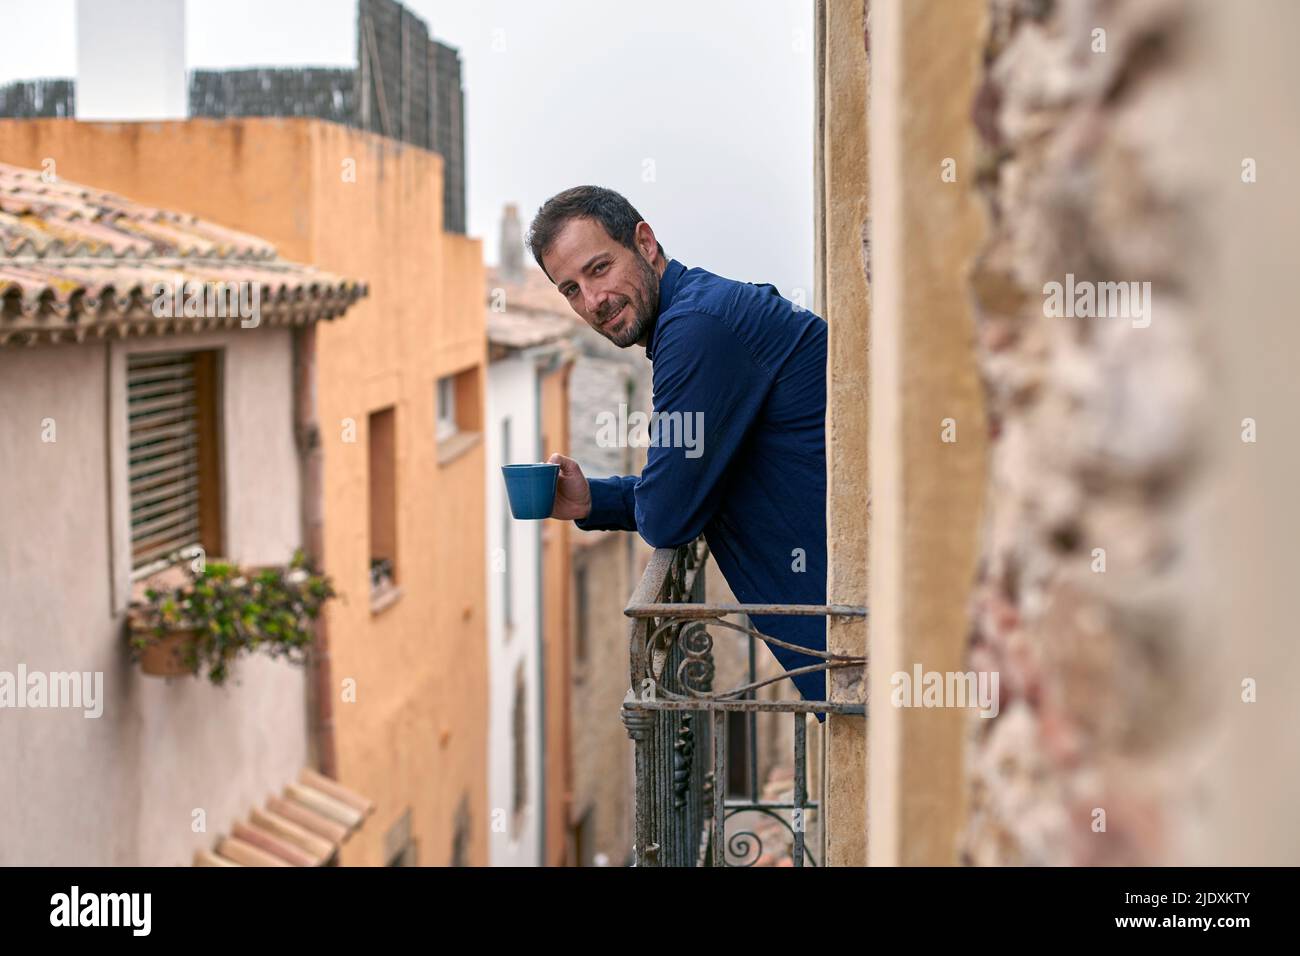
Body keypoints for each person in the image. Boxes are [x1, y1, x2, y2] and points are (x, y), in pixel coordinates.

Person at [526, 185, 830, 720]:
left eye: (599, 269)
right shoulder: (696, 312)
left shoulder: (696, 329)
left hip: (870, 638)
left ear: (644, 242)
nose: (593, 301)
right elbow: (691, 480)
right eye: (570, 289)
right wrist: (591, 501)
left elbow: (667, 514)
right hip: (857, 637)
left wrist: (647, 496)